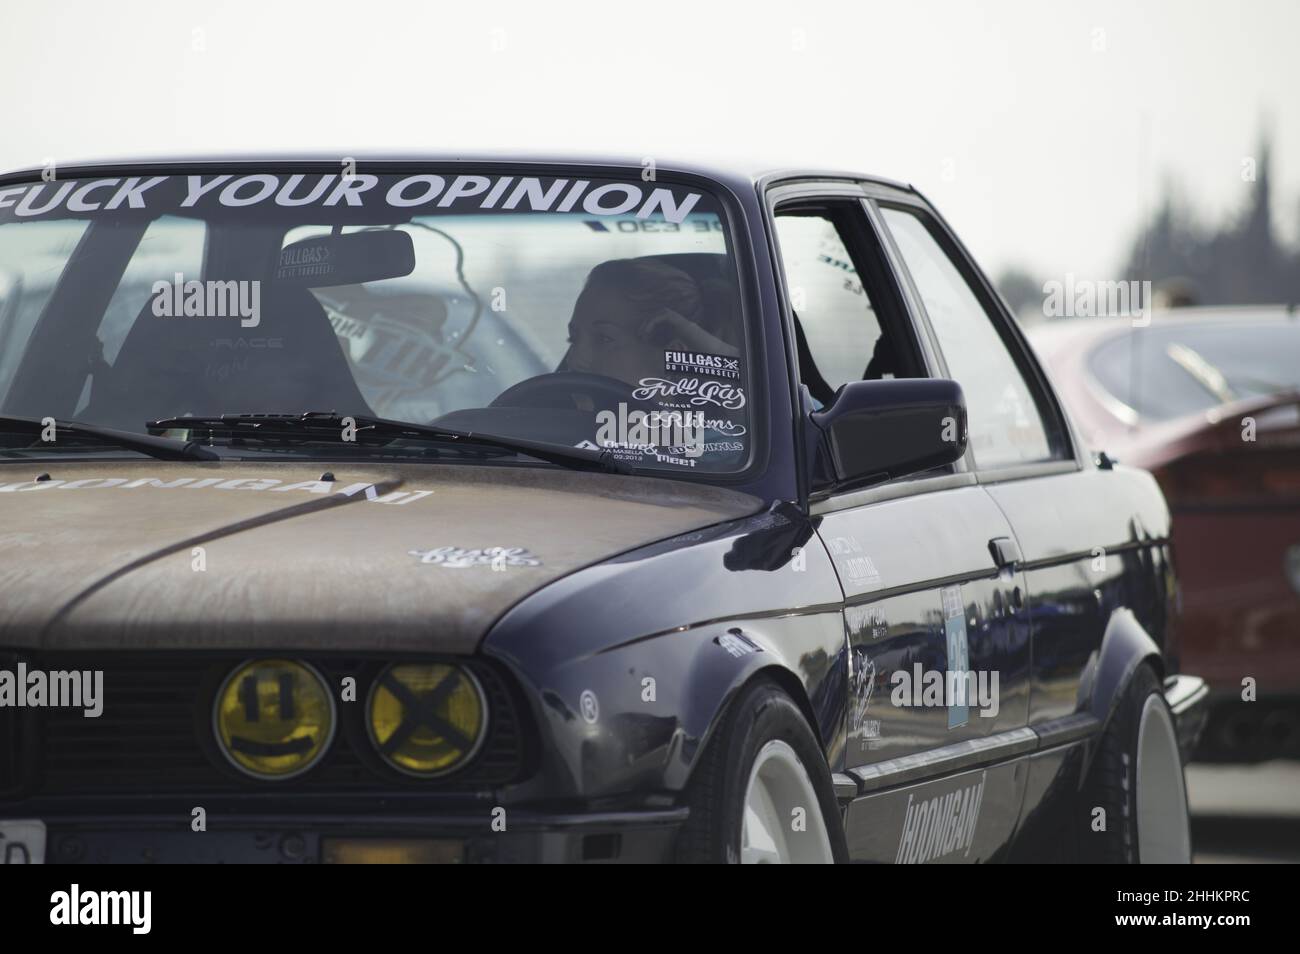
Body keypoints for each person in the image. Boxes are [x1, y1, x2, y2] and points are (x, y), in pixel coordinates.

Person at [559, 257, 738, 386]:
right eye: (573, 339)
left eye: (604, 339)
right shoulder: (550, 429)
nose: (576, 358)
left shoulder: (712, 438)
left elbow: (751, 376)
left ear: (673, 357)